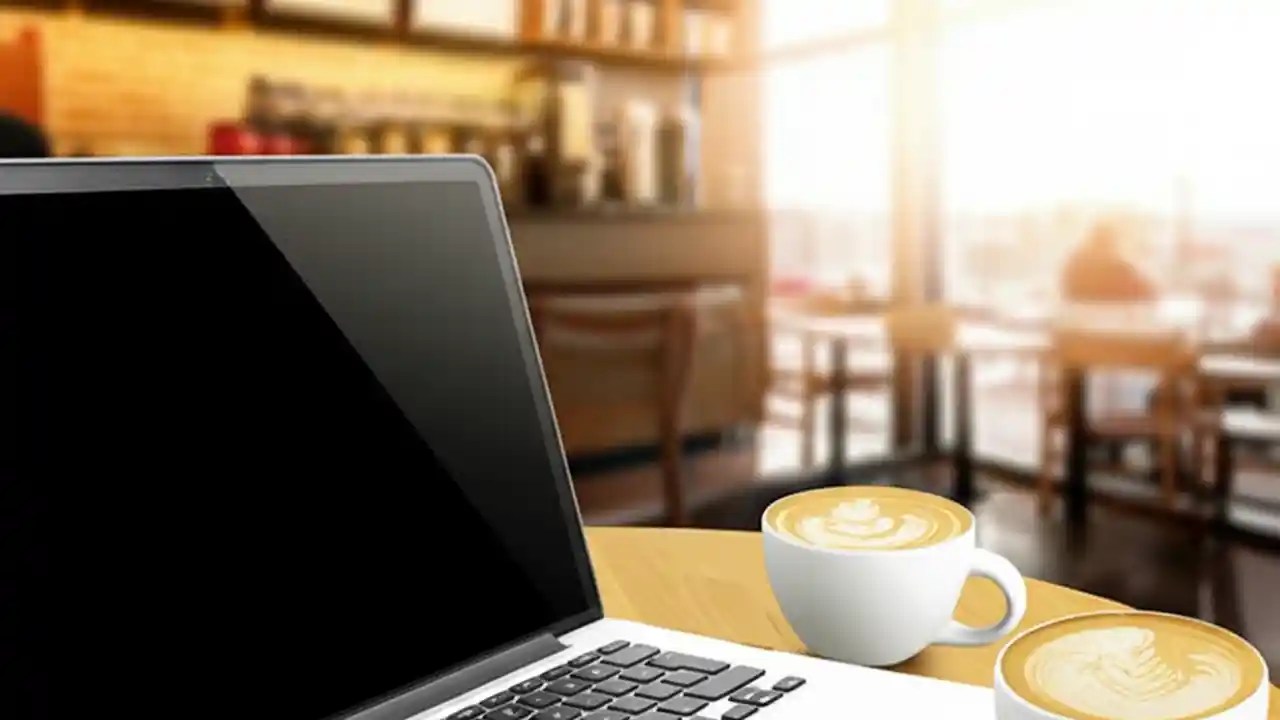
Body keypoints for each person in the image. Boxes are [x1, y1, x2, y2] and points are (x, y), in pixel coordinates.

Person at [1061, 220, 1155, 304]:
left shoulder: (1075, 264)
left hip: (1081, 317)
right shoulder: (1119, 269)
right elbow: (1148, 292)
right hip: (1114, 316)